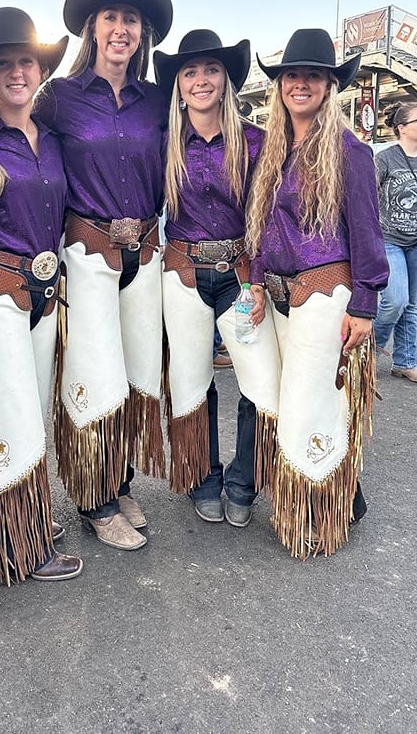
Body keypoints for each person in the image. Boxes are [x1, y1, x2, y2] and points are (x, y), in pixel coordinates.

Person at [35, 0, 173, 550]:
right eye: (111, 18)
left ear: (142, 33)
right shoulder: (59, 98)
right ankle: (92, 499)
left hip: (144, 246)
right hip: (86, 252)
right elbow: (26, 163)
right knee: (91, 375)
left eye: (131, 20)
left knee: (137, 372)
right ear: (93, 27)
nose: (121, 28)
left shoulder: (156, 100)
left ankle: (118, 480)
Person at [246, 28, 389, 559]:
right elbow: (260, 227)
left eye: (312, 75)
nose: (300, 84)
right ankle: (343, 497)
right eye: (291, 75)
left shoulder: (348, 151)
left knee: (311, 405)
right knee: (296, 403)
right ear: (279, 84)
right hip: (282, 300)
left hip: (325, 296)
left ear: (330, 85)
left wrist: (365, 306)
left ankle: (321, 512)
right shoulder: (275, 148)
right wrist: (256, 280)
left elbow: (367, 232)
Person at [0, 7, 82, 584]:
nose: (16, 72)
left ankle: (16, 522)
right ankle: (19, 546)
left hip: (45, 293)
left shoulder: (53, 141)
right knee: (10, 417)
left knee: (29, 410)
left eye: (25, 61)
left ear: (40, 70)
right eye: (3, 63)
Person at [154, 29, 264, 527]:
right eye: (190, 72)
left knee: (256, 380)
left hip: (241, 276)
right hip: (181, 273)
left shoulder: (257, 141)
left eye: (211, 70)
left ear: (227, 80)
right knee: (193, 381)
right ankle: (204, 478)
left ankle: (245, 479)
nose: (201, 80)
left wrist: (261, 277)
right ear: (178, 85)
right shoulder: (162, 144)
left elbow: (269, 218)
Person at [373, 101, 417, 384]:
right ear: (402, 128)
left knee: (411, 305)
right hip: (388, 239)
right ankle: (369, 351)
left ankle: (405, 362)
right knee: (395, 301)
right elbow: (366, 198)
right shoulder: (385, 159)